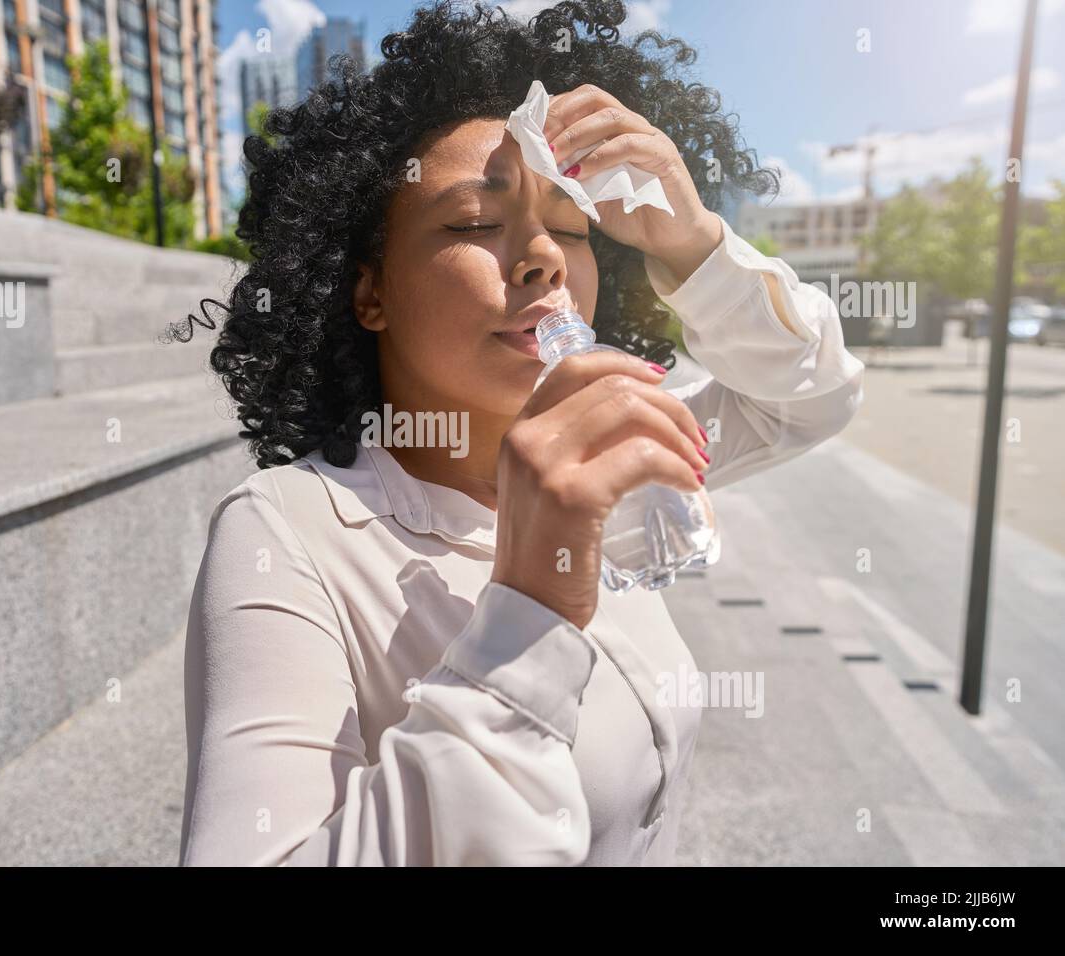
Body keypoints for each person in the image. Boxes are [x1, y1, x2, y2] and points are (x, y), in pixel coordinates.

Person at [175, 0, 865, 866]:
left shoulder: (610, 448)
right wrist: (532, 599)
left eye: (572, 230)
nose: (544, 258)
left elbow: (810, 400)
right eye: (473, 223)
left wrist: (691, 245)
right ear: (370, 293)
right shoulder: (288, 531)